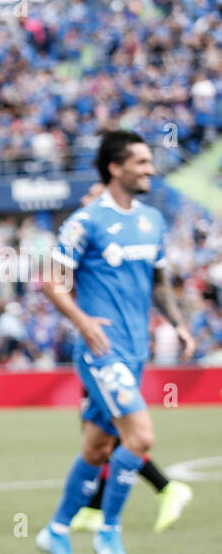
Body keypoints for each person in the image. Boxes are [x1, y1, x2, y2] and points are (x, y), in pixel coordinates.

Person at [35, 131, 196, 554]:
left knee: (95, 446)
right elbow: (51, 280)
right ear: (115, 167)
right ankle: (109, 531)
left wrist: (179, 324)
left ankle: (57, 530)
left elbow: (159, 282)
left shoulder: (152, 220)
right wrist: (83, 322)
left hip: (134, 351)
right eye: (141, 162)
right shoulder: (85, 221)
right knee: (141, 437)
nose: (150, 169)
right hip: (100, 350)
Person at [62, 184, 193, 533]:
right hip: (95, 347)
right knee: (99, 433)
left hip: (112, 350)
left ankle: (163, 490)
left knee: (121, 431)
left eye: (91, 194)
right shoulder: (83, 238)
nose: (84, 200)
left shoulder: (122, 232)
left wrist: (176, 324)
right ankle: (91, 510)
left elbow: (152, 283)